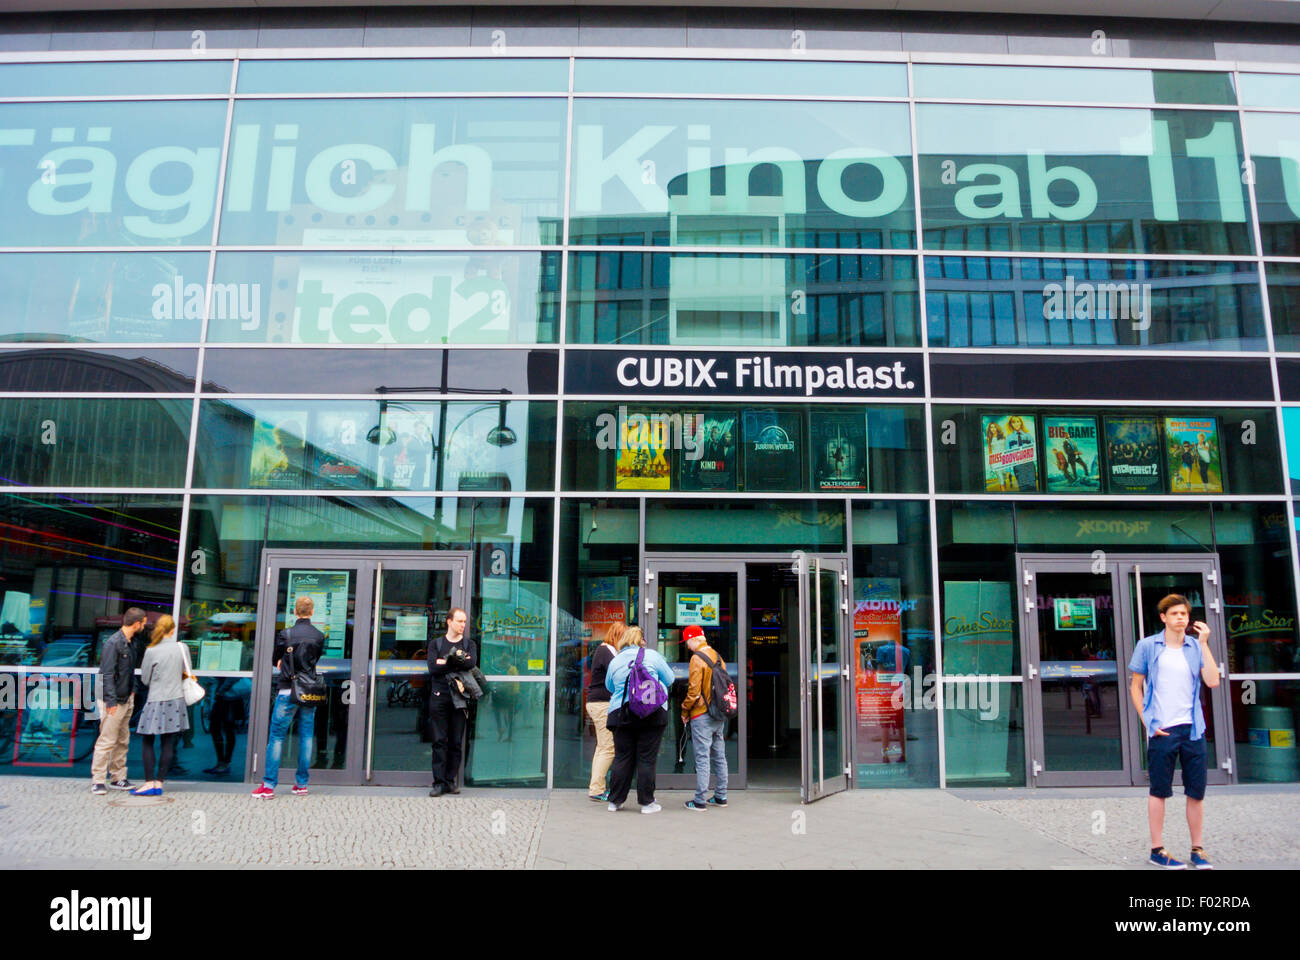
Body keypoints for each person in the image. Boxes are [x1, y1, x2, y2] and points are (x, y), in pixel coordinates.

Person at [1128, 593, 1221, 869]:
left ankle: (1197, 849)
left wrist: (1204, 644)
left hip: (1193, 729)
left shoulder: (1195, 647)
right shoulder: (1147, 646)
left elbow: (1213, 681)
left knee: (1196, 792)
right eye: (1175, 614)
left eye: (1184, 614)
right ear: (1163, 618)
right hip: (1162, 729)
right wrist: (1147, 721)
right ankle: (1157, 849)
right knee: (1159, 790)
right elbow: (1135, 685)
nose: (1181, 618)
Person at [251, 595, 325, 799]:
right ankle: (301, 784)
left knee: (276, 737)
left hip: (287, 689)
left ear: (295, 611)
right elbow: (314, 660)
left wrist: (282, 662)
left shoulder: (286, 634)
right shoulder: (319, 636)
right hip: (308, 690)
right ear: (311, 612)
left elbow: (275, 659)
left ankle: (268, 786)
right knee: (307, 737)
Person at [604, 626, 674, 814]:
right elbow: (670, 679)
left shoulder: (616, 660)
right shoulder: (652, 656)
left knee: (622, 757)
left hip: (621, 713)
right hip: (651, 712)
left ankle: (615, 801)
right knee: (646, 758)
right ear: (640, 640)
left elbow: (609, 686)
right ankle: (646, 803)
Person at [131, 614, 193, 797]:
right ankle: (159, 782)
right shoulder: (182, 648)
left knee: (147, 740)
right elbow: (187, 671)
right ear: (173, 630)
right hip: (176, 699)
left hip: (156, 699)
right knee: (168, 742)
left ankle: (149, 782)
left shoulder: (151, 651)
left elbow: (145, 678)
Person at [90, 607, 148, 795]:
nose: (145, 626)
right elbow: (106, 674)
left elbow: (129, 671)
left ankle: (118, 778)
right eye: (144, 623)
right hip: (112, 700)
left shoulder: (131, 642)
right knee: (106, 740)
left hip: (125, 697)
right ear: (137, 623)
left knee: (122, 739)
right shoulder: (114, 643)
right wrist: (111, 701)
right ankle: (98, 780)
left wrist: (133, 691)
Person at [427, 607, 477, 797]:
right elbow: (432, 667)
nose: (463, 625)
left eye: (464, 621)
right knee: (439, 741)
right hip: (439, 696)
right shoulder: (436, 644)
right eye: (459, 621)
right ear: (449, 622)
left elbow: (471, 664)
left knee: (456, 741)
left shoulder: (469, 643)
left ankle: (450, 781)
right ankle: (438, 783)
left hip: (460, 698)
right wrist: (455, 661)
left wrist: (445, 662)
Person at [680, 624, 728, 811]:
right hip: (718, 713)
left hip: (701, 714)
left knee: (702, 757)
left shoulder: (696, 658)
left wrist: (685, 711)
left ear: (693, 639)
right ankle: (721, 795)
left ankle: (700, 800)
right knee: (720, 756)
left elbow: (693, 691)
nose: (687, 646)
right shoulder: (718, 657)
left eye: (686, 642)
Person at [584, 621, 623, 801]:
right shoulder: (606, 651)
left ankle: (596, 787)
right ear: (617, 636)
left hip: (597, 703)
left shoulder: (605, 650)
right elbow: (618, 674)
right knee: (608, 748)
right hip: (601, 704)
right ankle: (597, 790)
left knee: (602, 747)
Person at [204, 675, 250, 776]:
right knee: (224, 729)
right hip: (227, 698)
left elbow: (233, 676)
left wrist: (220, 690)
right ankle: (223, 762)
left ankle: (224, 763)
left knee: (222, 728)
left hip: (227, 698)